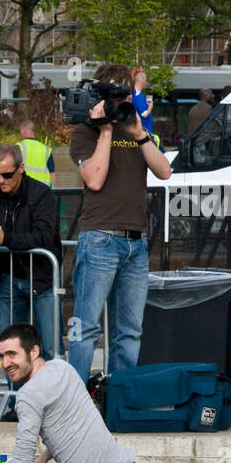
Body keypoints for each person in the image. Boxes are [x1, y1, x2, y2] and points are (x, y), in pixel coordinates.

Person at [0, 323, 178, 463]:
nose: (5, 363)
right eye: (1, 356)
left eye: (11, 354)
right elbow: (72, 424)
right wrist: (43, 460)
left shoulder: (27, 395)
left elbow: (24, 452)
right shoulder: (64, 368)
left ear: (33, 351)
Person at [67, 61, 172, 385]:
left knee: (130, 330)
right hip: (100, 238)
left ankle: (121, 400)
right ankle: (75, 401)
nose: (118, 102)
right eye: (113, 91)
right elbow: (94, 179)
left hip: (135, 242)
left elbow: (165, 171)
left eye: (123, 91)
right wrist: (106, 130)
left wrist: (139, 133)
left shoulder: (135, 129)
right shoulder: (85, 131)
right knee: (86, 327)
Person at [0, 143, 62, 361]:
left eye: (7, 175)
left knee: (50, 347)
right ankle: (15, 395)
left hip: (41, 279)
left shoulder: (42, 194)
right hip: (7, 278)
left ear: (21, 168)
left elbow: (44, 237)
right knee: (10, 349)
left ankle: (54, 395)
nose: (1, 180)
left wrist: (5, 238)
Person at [16, 120, 55, 188]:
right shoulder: (46, 150)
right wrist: (54, 193)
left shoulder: (18, 147)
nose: (20, 134)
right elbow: (52, 174)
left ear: (24, 131)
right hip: (43, 190)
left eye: (20, 131)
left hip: (25, 189)